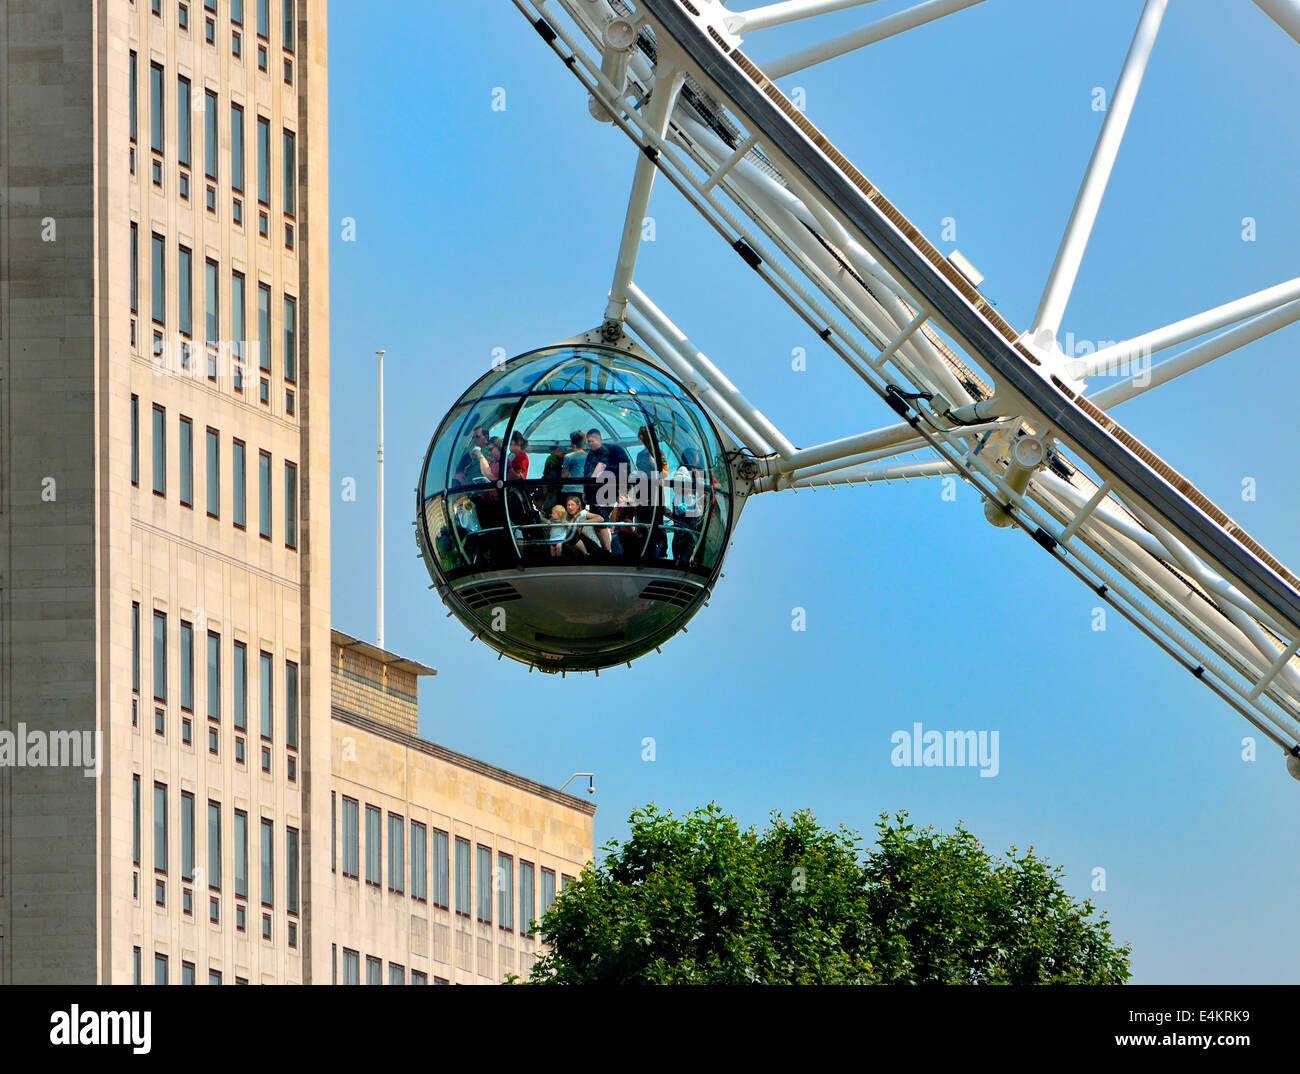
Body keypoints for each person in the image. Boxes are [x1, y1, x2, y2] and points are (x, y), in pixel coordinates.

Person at [583, 428, 632, 519]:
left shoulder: (614, 450)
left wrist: (623, 490)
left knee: (604, 520)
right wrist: (585, 491)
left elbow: (624, 468)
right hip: (594, 496)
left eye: (592, 441)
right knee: (597, 519)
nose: (590, 444)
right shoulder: (591, 454)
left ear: (600, 439)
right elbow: (587, 473)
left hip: (609, 493)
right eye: (588, 442)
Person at [561, 431, 587, 497]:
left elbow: (564, 475)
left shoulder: (568, 457)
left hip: (569, 489)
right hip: (583, 490)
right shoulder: (589, 457)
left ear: (572, 443)